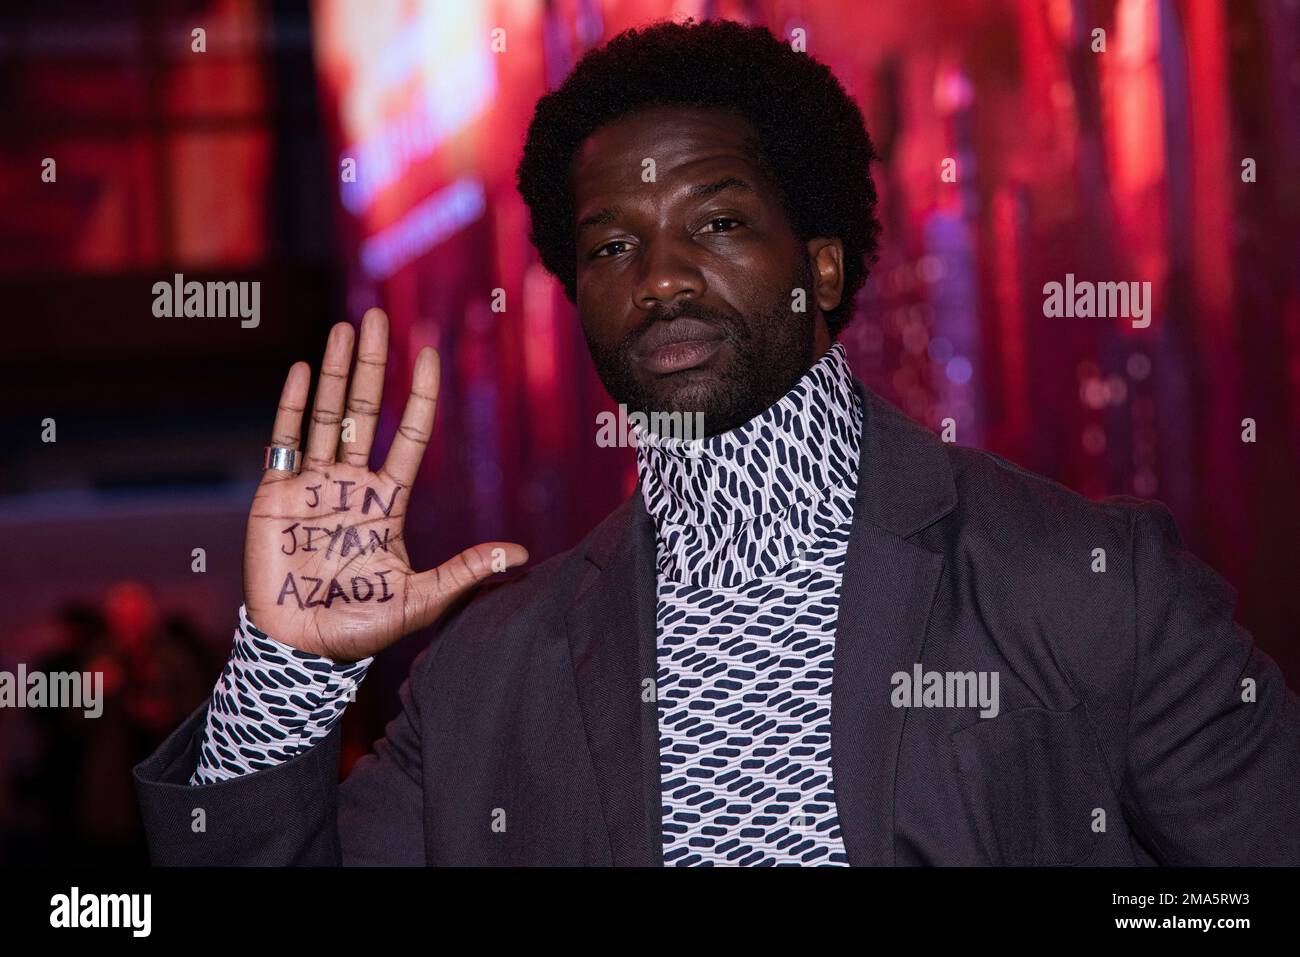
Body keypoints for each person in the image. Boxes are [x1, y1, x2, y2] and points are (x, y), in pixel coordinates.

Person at [134, 18, 1300, 866]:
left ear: (824, 265)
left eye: (721, 221)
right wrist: (282, 680)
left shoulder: (1084, 584)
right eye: (609, 247)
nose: (662, 278)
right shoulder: (490, 675)